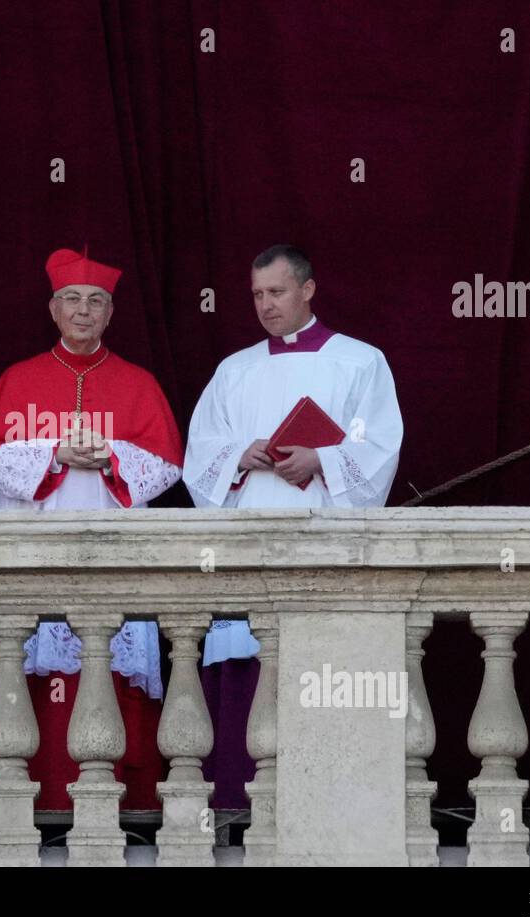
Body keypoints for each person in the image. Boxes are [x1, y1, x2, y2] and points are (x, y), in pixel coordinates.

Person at [183, 243, 403, 806]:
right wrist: (239, 454)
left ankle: (331, 808)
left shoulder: (360, 361)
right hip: (249, 543)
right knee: (246, 676)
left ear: (307, 289)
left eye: (276, 292)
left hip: (323, 541)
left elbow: (379, 448)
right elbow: (200, 452)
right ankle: (235, 804)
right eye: (257, 294)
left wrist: (322, 460)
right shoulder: (235, 369)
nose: (265, 305)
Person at [0, 247, 184, 811]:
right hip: (31, 551)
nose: (82, 311)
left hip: (110, 552)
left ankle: (120, 802)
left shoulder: (138, 384)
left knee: (107, 668)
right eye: (71, 300)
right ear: (53, 308)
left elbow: (167, 464)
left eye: (95, 301)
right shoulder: (17, 380)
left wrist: (112, 459)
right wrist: (55, 453)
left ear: (110, 313)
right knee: (29, 665)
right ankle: (21, 803)